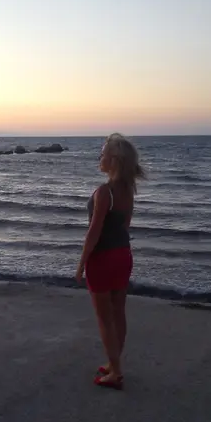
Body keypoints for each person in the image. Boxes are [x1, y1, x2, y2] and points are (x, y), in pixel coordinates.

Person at [76, 133, 145, 389]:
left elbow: (93, 233)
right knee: (118, 313)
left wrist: (81, 264)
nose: (100, 157)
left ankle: (115, 373)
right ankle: (114, 362)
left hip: (102, 259)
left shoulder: (104, 192)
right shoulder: (127, 191)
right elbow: (125, 226)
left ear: (114, 160)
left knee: (105, 319)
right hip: (123, 255)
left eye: (103, 153)